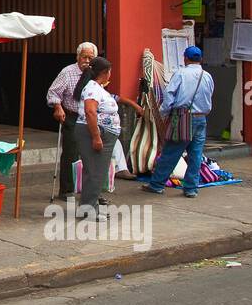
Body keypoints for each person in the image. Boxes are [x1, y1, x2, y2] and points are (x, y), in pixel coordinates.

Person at [73, 56, 144, 219]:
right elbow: (90, 111)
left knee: (95, 171)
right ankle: (89, 209)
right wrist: (96, 137)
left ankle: (88, 206)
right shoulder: (92, 88)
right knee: (96, 172)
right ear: (105, 72)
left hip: (101, 133)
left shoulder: (97, 87)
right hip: (95, 133)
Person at [142, 45, 215, 197]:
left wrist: (162, 114)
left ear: (185, 58)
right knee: (196, 154)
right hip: (201, 118)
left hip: (182, 117)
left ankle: (157, 184)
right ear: (200, 59)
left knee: (171, 151)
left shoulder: (180, 74)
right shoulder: (207, 76)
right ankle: (191, 189)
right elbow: (210, 95)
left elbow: (169, 97)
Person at [46, 42, 98, 200]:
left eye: (90, 57)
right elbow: (53, 92)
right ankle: (67, 190)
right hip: (72, 116)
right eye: (84, 57)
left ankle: (89, 190)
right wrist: (57, 107)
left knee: (91, 154)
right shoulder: (67, 72)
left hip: (90, 116)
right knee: (71, 154)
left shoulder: (96, 72)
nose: (87, 60)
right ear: (78, 56)